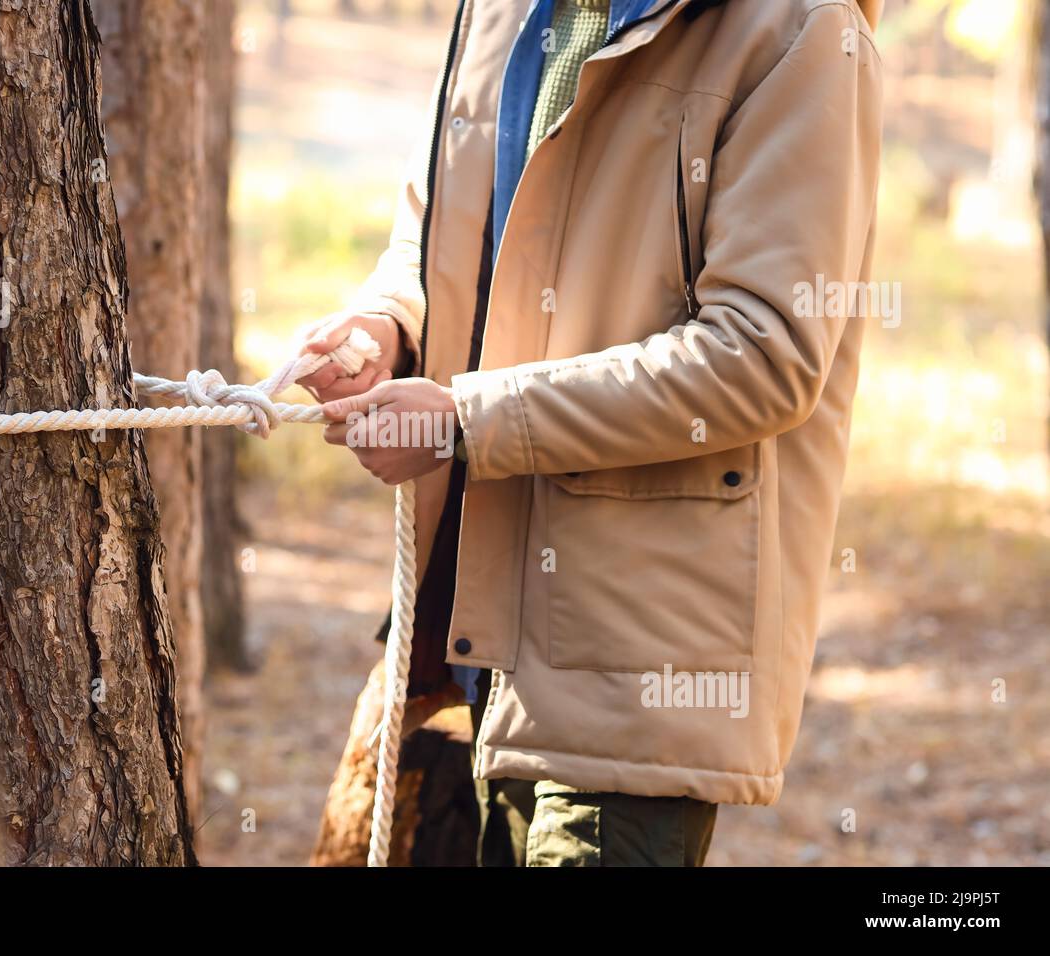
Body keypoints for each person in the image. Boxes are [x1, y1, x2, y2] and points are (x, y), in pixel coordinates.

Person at [296, 0, 884, 866]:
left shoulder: (800, 29)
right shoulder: (496, 11)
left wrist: (468, 421)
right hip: (457, 638)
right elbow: (440, 236)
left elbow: (763, 353)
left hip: (630, 670)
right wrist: (387, 323)